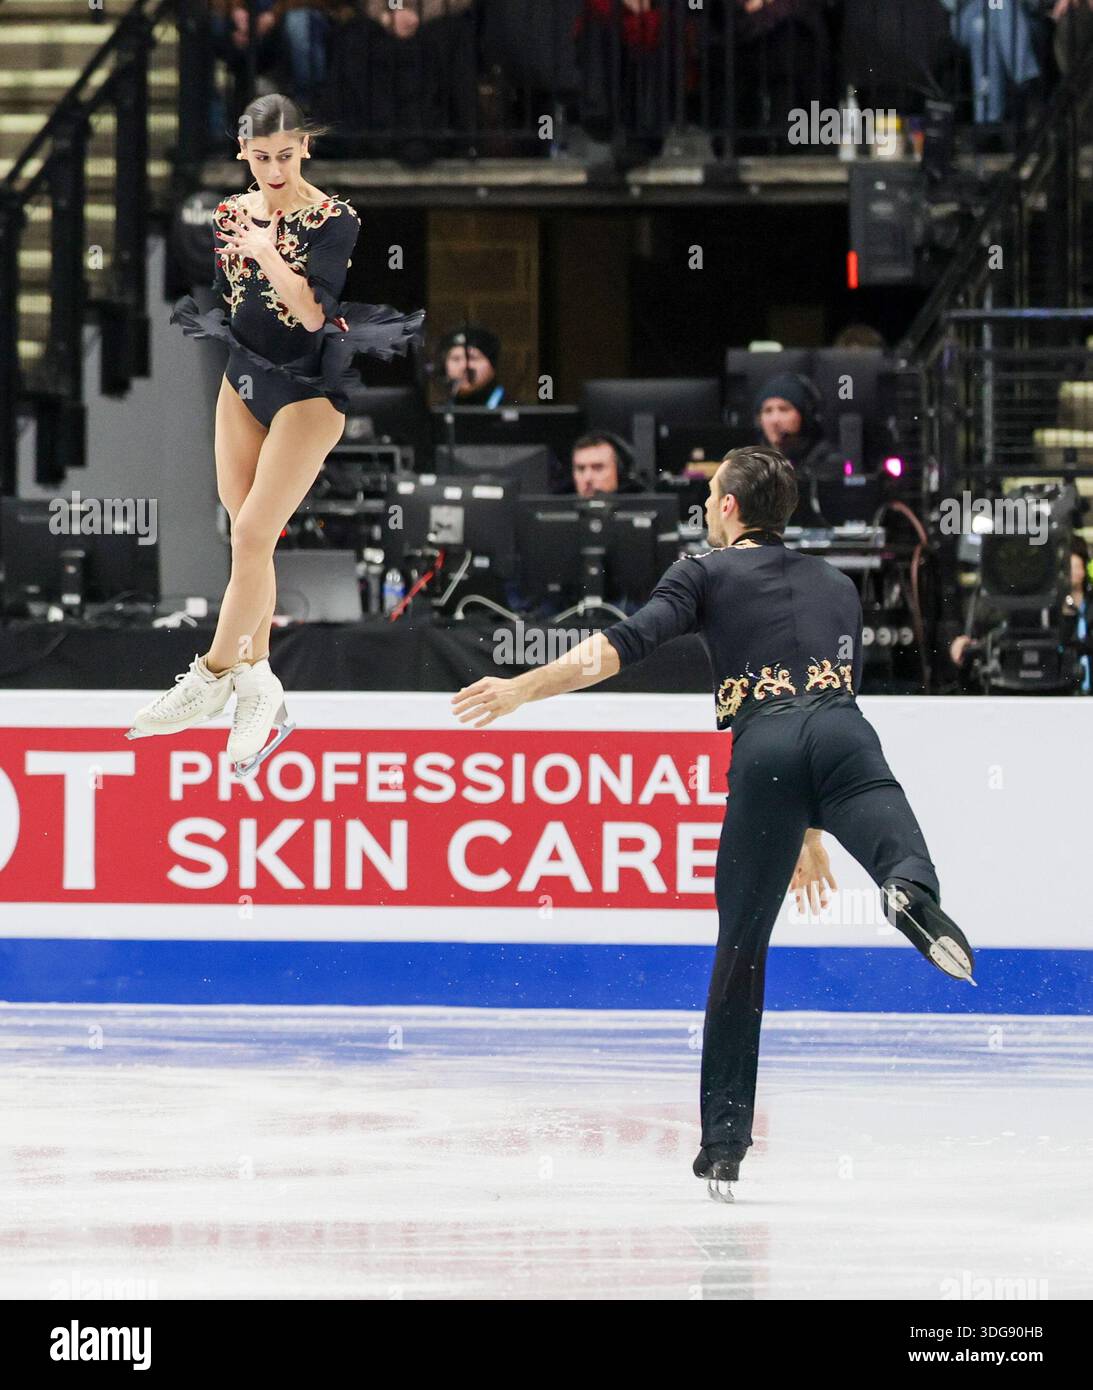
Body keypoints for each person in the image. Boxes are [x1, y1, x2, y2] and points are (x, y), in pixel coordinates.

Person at [452, 445, 976, 1202]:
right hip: (844, 736)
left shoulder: (701, 570)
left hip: (761, 753)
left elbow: (616, 648)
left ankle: (723, 1146)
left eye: (708, 495)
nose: (704, 506)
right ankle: (906, 893)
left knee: (740, 952)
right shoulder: (837, 583)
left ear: (728, 507)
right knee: (899, 847)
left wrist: (519, 691)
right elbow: (818, 690)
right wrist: (814, 831)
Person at [130, 93, 423, 776]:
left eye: (285, 156)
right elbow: (239, 310)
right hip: (243, 381)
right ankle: (260, 688)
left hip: (310, 390)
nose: (274, 169)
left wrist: (266, 250)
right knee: (242, 539)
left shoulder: (333, 218)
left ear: (305, 149)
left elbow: (312, 313)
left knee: (256, 535)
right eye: (260, 158)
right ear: (242, 153)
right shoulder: (229, 212)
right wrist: (252, 244)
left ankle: (210, 676)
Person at [754, 371, 842, 525]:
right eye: (768, 411)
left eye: (784, 409)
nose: (775, 420)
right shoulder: (753, 463)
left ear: (807, 415)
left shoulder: (828, 461)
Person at [439, 325, 505, 407]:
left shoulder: (514, 411)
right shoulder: (437, 412)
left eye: (473, 358)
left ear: (493, 365)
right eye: (455, 359)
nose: (464, 366)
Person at [570, 432, 642, 497]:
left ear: (620, 472)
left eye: (598, 468)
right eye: (581, 469)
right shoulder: (561, 509)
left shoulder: (645, 510)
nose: (587, 478)